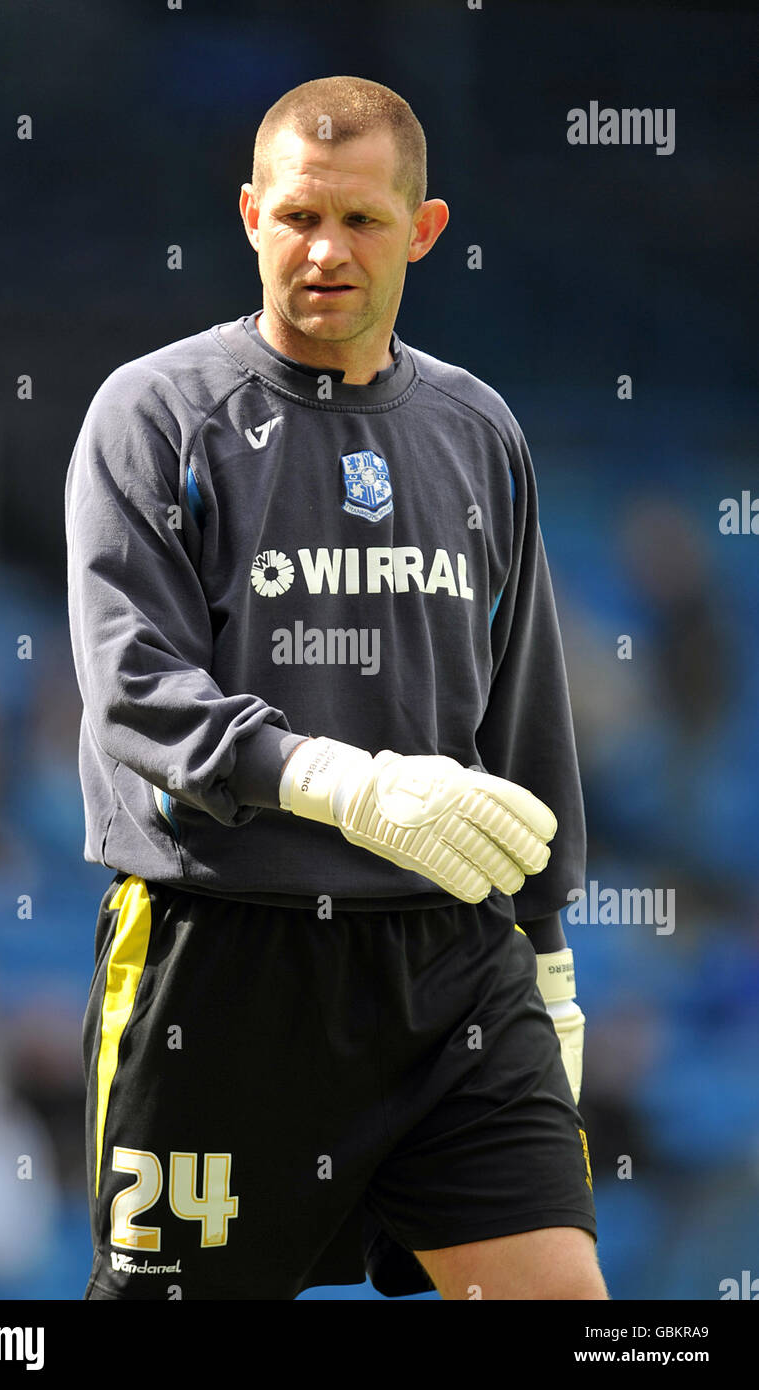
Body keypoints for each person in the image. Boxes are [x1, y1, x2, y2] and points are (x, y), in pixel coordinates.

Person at [65, 75, 607, 1301]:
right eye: (299, 216)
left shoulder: (478, 429)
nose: (323, 250)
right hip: (219, 959)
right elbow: (136, 693)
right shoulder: (151, 415)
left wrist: (549, 951)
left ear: (422, 230)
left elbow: (519, 709)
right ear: (250, 214)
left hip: (450, 967)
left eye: (361, 222)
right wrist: (341, 785)